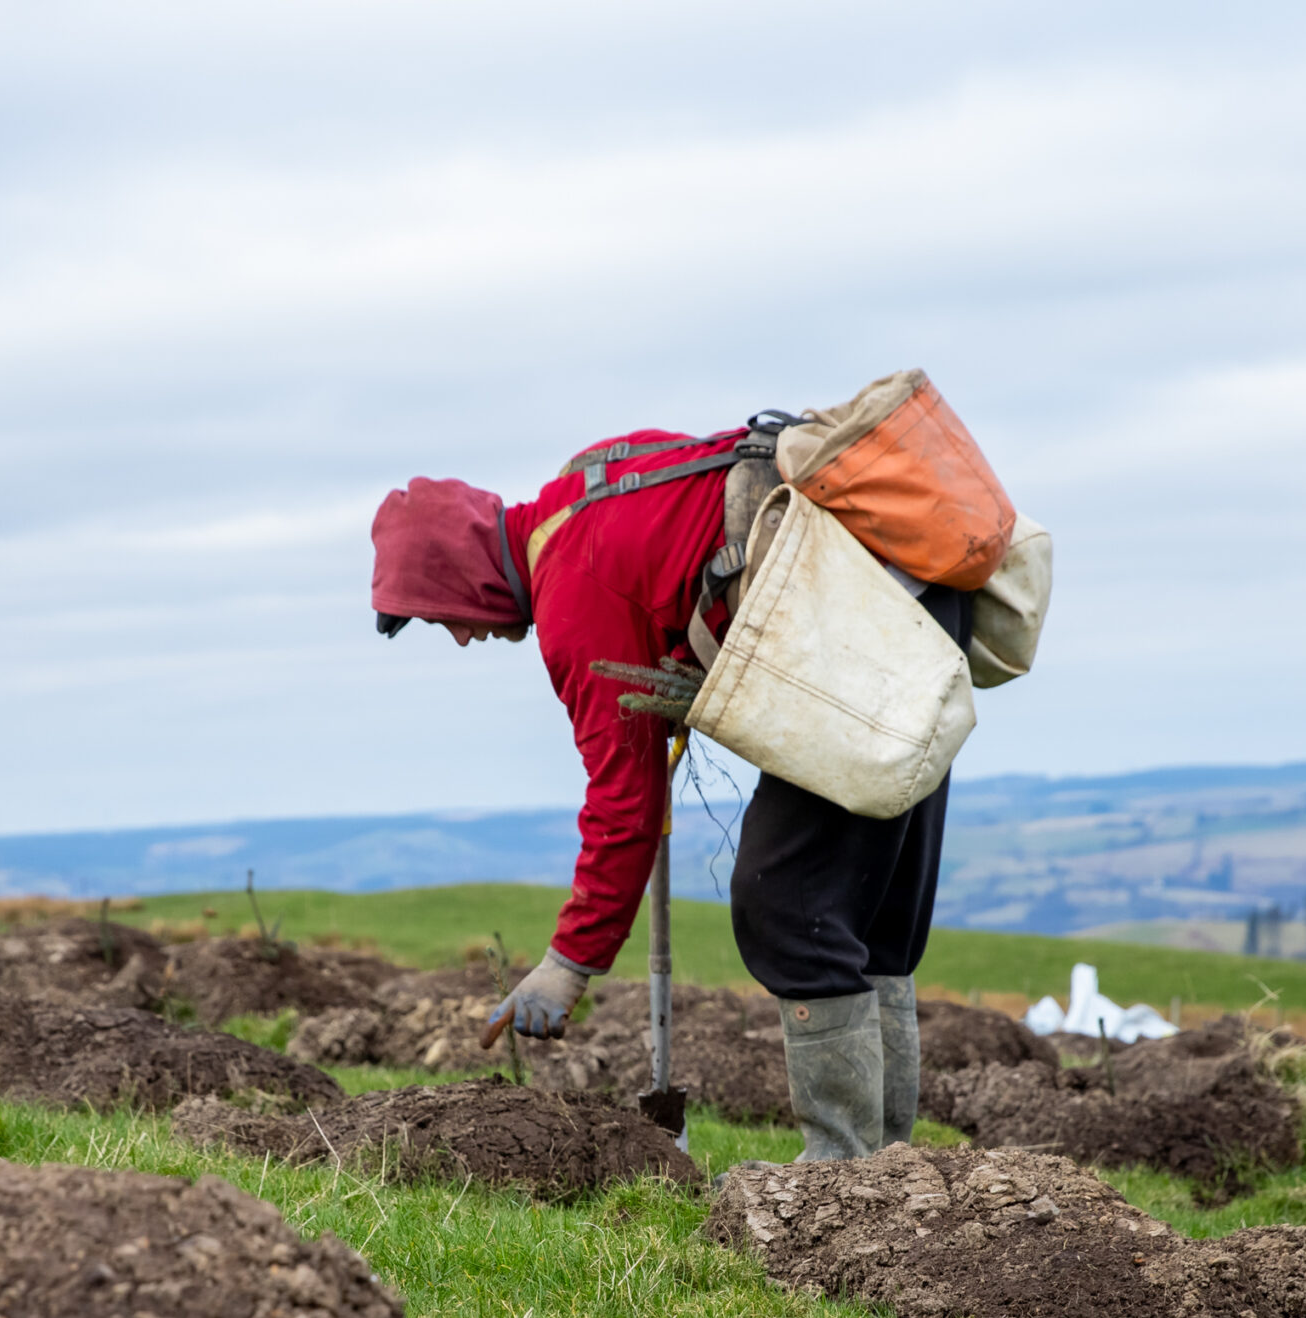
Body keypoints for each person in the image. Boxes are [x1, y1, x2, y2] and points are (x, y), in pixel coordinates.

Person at [369, 426, 972, 1161]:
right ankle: (887, 1170)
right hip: (914, 590)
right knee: (871, 912)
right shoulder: (592, 479)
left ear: (460, 574)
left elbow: (623, 802)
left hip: (854, 629)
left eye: (442, 616)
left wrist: (569, 962)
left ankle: (842, 1178)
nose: (461, 638)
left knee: (787, 904)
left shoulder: (572, 595)